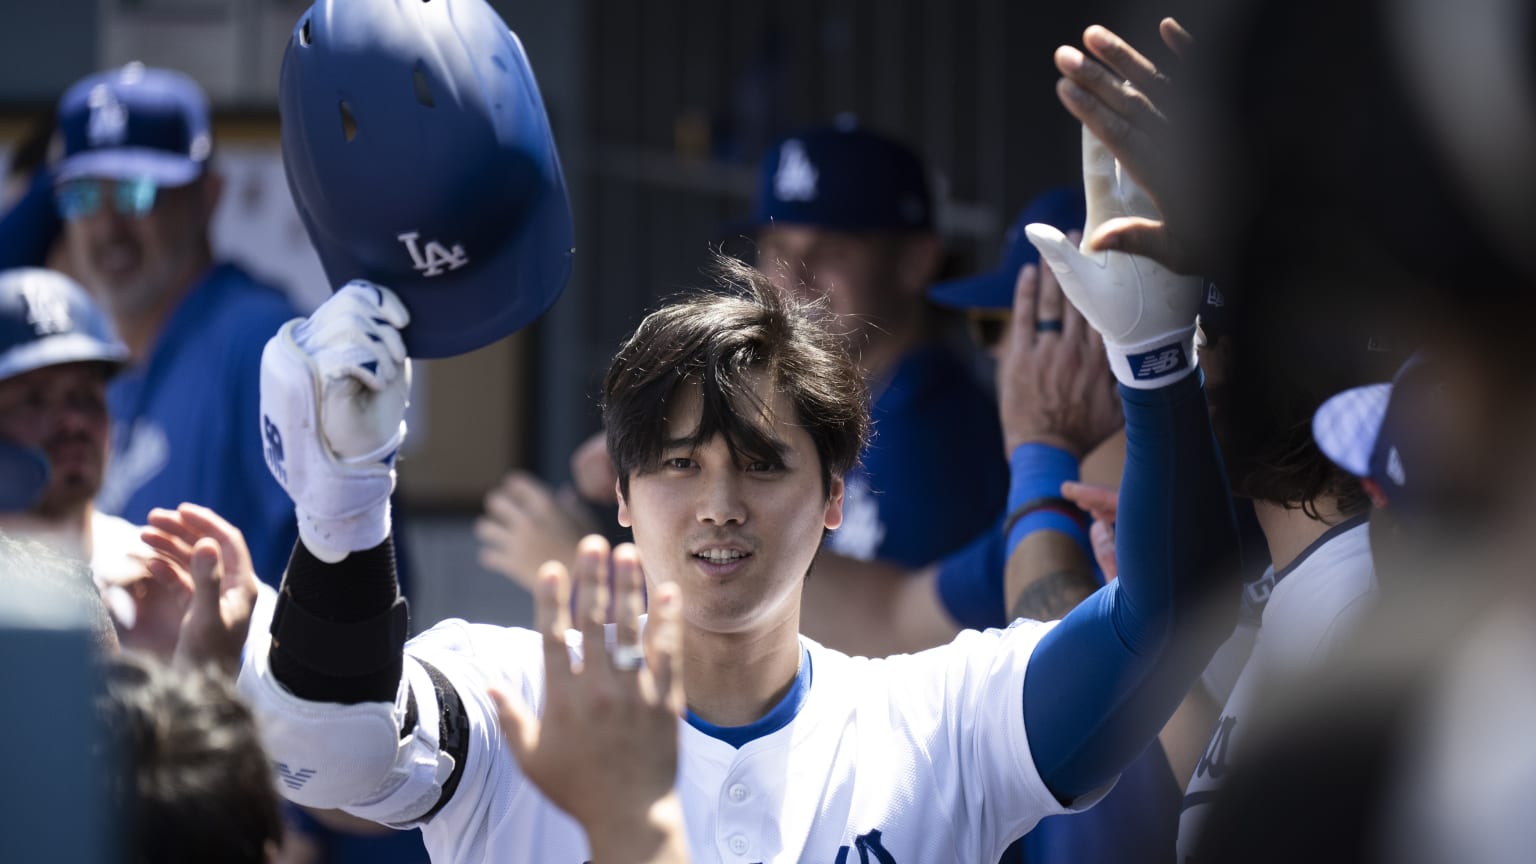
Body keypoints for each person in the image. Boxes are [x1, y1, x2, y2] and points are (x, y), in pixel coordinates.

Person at [237, 181, 1238, 864]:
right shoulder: (515, 692)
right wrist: (343, 517)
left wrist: (1155, 359)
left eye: (763, 464)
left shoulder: (940, 721)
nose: (720, 502)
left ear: (836, 494)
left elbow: (1164, 620)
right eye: (678, 465)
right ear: (621, 497)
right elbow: (334, 750)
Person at [52, 62, 300, 586]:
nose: (108, 226)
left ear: (206, 196)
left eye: (136, 191)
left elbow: (350, 581)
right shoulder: (99, 369)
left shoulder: (261, 344)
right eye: (86, 196)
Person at [752, 119, 1007, 568]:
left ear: (914, 261)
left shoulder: (934, 443)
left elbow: (907, 632)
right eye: (777, 250)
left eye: (831, 252)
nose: (792, 278)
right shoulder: (814, 403)